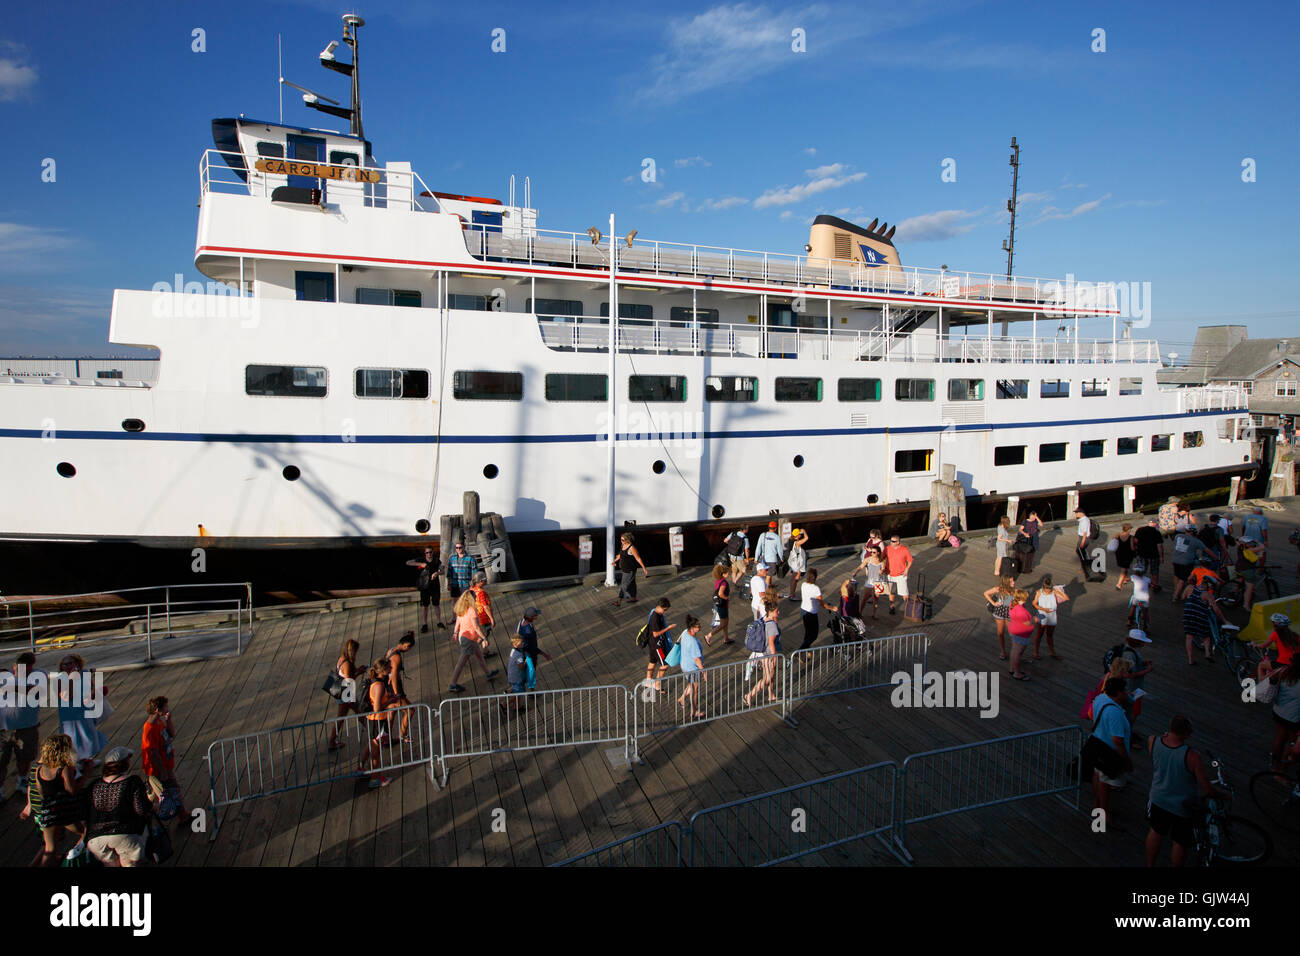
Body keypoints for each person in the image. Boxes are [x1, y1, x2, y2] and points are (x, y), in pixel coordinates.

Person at [1145, 716, 1215, 867]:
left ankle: (1150, 865)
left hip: (1158, 798)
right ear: (1185, 734)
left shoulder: (1153, 741)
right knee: (1179, 842)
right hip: (1181, 805)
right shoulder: (1192, 756)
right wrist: (1221, 795)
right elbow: (1206, 787)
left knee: (1156, 832)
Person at [20, 733, 84, 867]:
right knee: (86, 832)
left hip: (46, 812)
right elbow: (71, 791)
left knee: (49, 848)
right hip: (62, 812)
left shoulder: (39, 769)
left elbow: (40, 792)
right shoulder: (64, 768)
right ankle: (73, 857)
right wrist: (86, 774)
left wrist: (30, 806)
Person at [85, 746, 153, 867]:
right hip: (125, 834)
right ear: (125, 763)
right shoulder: (132, 782)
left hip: (96, 839)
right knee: (130, 864)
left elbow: (86, 812)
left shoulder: (94, 785)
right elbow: (141, 809)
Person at [1081, 677, 1132, 828]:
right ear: (1118, 693)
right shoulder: (1114, 713)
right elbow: (1118, 740)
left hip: (1097, 746)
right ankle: (1104, 817)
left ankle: (1097, 807)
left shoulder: (1100, 699)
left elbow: (1092, 715)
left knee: (1097, 776)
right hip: (1109, 752)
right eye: (1124, 691)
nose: (1127, 693)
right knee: (1106, 782)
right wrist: (1126, 761)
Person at [0, 652, 43, 801]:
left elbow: (34, 691)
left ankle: (22, 780)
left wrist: (10, 686)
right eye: (20, 667)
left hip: (27, 726)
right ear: (14, 666)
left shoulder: (39, 675)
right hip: (3, 728)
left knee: (25, 757)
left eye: (28, 667)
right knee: (1, 759)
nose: (24, 670)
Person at [56, 654, 107, 778]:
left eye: (69, 663)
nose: (67, 666)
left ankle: (86, 759)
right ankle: (74, 766)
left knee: (88, 734)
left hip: (83, 708)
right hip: (69, 713)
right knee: (72, 738)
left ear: (77, 663)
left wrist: (96, 693)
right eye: (64, 664)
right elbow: (66, 696)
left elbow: (91, 688)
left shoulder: (84, 673)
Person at [141, 696, 187, 821]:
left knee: (168, 791)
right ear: (157, 710)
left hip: (166, 765)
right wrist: (163, 771)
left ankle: (182, 815)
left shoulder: (158, 722)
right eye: (165, 706)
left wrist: (169, 720)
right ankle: (182, 816)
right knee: (170, 792)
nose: (168, 708)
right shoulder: (150, 729)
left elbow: (171, 734)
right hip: (157, 770)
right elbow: (153, 753)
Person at [448, 591, 499, 693]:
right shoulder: (472, 610)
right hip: (469, 639)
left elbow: (457, 623)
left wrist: (455, 633)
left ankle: (488, 673)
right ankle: (453, 684)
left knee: (479, 656)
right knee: (461, 663)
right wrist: (484, 638)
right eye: (475, 597)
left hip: (464, 637)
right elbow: (476, 627)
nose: (476, 598)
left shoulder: (461, 608)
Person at [360, 658, 397, 788]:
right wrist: (390, 701)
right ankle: (374, 779)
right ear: (383, 670)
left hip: (373, 720)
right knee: (376, 752)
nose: (391, 669)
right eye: (389, 667)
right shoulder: (379, 686)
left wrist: (388, 698)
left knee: (372, 745)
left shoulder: (375, 682)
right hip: (377, 720)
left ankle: (360, 767)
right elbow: (377, 708)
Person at [1182, 571, 1227, 665]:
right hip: (1200, 615)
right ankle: (1207, 653)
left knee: (1189, 637)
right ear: (1209, 586)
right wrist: (1224, 620)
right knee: (1206, 635)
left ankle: (1190, 659)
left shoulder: (1189, 587)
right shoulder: (1207, 595)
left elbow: (1183, 597)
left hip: (1188, 614)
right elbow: (1216, 610)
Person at [742, 600, 781, 707]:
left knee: (770, 675)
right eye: (777, 611)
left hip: (762, 652)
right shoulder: (772, 625)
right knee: (768, 678)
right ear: (771, 611)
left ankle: (771, 695)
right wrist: (774, 657)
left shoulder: (763, 619)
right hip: (768, 654)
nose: (779, 612)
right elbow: (771, 643)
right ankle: (749, 695)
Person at [327, 639, 363, 751]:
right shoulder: (347, 664)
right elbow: (349, 680)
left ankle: (374, 731)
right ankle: (331, 741)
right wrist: (358, 672)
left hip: (342, 692)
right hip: (345, 694)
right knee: (346, 716)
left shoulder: (342, 659)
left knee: (357, 712)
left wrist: (358, 670)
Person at [1120, 628, 1154, 744]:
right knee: (1131, 713)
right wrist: (1147, 670)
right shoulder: (1130, 654)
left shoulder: (1130, 651)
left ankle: (1128, 732)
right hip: (1132, 689)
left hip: (1134, 688)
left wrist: (1143, 663)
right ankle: (1127, 735)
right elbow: (1129, 674)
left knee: (1133, 712)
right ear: (1138, 642)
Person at [796, 568, 838, 651]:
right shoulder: (816, 589)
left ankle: (806, 649)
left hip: (803, 610)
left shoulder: (803, 584)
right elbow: (821, 603)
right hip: (811, 613)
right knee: (814, 635)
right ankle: (800, 650)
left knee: (808, 632)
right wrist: (832, 608)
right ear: (815, 577)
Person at [385, 631, 416, 742]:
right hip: (394, 688)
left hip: (387, 686)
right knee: (410, 710)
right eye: (409, 648)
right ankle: (403, 736)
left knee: (392, 711)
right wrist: (397, 695)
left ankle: (386, 737)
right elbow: (393, 677)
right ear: (406, 646)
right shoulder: (396, 657)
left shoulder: (390, 651)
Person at [406, 547, 445, 632]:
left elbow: (442, 571)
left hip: (435, 586)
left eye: (430, 552)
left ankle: (439, 622)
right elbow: (408, 562)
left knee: (436, 604)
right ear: (425, 553)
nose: (429, 554)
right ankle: (425, 624)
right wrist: (420, 564)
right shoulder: (421, 559)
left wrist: (437, 573)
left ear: (433, 552)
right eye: (427, 553)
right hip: (425, 586)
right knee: (425, 606)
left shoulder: (436, 560)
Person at [676, 616, 707, 719]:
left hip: (684, 664)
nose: (700, 627)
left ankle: (681, 699)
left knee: (691, 684)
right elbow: (697, 659)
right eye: (698, 626)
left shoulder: (685, 632)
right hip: (692, 668)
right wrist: (703, 672)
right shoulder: (693, 642)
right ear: (692, 628)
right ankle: (694, 711)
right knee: (695, 689)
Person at [1031, 575, 1069, 660]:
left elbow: (1066, 598)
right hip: (1042, 615)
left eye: (1049, 590)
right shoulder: (1039, 592)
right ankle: (1036, 652)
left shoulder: (1054, 591)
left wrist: (1059, 591)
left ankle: (1052, 652)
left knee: (1050, 635)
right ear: (1043, 588)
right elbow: (1034, 604)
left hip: (1052, 616)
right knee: (1039, 634)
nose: (1048, 592)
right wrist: (1044, 609)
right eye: (1046, 591)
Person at [1170, 525, 1212, 601]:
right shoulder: (1196, 541)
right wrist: (1216, 557)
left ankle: (1176, 591)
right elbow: (1207, 550)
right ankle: (1176, 596)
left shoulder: (1178, 536)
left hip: (1175, 560)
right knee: (1183, 579)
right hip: (1186, 562)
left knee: (1176, 575)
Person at [516, 607, 551, 691]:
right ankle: (531, 690)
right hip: (530, 653)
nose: (536, 616)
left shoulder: (521, 622)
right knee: (531, 671)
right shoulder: (529, 631)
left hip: (522, 651)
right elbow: (533, 648)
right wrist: (544, 654)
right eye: (535, 615)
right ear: (530, 617)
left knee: (525, 672)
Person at [983, 576, 1017, 661]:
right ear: (1006, 583)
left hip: (1010, 613)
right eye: (1011, 581)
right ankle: (1003, 651)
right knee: (1000, 633)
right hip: (999, 612)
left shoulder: (1015, 591)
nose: (1014, 582)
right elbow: (986, 593)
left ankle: (1014, 651)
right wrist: (993, 603)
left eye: (1013, 581)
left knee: (1012, 633)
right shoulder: (998, 589)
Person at [643, 598, 673, 691]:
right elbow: (655, 634)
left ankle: (648, 681)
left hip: (652, 643)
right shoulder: (655, 617)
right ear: (660, 607)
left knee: (652, 661)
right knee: (666, 664)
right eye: (664, 610)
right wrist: (668, 628)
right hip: (657, 645)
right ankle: (657, 683)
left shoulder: (654, 613)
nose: (664, 612)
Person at [611, 532, 647, 607]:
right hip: (624, 569)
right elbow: (620, 555)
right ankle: (633, 597)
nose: (621, 541)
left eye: (623, 540)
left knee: (624, 585)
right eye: (621, 539)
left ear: (627, 540)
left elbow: (638, 558)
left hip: (630, 570)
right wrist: (615, 561)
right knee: (632, 582)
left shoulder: (631, 548)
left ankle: (619, 601)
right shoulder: (623, 545)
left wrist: (644, 568)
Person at [1007, 589, 1035, 681]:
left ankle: (1012, 668)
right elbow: (1027, 623)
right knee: (1017, 653)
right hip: (1021, 634)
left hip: (1014, 630)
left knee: (1014, 650)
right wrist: (1035, 619)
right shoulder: (1021, 611)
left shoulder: (1013, 604)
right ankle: (1017, 673)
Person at [884, 535, 914, 616]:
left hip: (901, 575)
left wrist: (907, 569)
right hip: (889, 574)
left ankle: (909, 609)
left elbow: (910, 560)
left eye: (893, 541)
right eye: (891, 541)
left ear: (898, 542)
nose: (891, 542)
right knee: (891, 592)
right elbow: (882, 558)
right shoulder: (887, 549)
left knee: (904, 593)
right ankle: (892, 607)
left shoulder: (904, 549)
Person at [1233, 537, 1265, 611]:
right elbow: (1262, 547)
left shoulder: (1240, 547)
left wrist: (1238, 540)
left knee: (1238, 584)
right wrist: (1257, 541)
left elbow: (1236, 541)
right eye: (1250, 543)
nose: (1251, 544)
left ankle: (1234, 595)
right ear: (1247, 544)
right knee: (1249, 588)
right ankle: (1246, 605)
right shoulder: (1250, 550)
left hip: (1238, 568)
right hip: (1247, 570)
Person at [1134, 517, 1165, 592]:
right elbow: (1159, 546)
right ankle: (1155, 585)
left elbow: (1135, 541)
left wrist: (1136, 549)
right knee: (1154, 571)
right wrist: (1161, 557)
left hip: (1142, 554)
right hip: (1153, 555)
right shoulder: (1157, 532)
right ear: (1155, 524)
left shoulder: (1140, 530)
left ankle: (1140, 584)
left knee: (1141, 569)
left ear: (1148, 523)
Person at [704, 565, 733, 647]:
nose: (729, 573)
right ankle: (708, 636)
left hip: (719, 604)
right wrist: (727, 597)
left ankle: (726, 638)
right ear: (723, 574)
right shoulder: (724, 583)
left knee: (725, 622)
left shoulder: (718, 581)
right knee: (723, 624)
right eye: (727, 573)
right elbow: (720, 594)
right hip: (722, 605)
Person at [471, 573, 497, 656]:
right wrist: (492, 618)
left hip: (475, 616)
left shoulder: (471, 589)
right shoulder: (481, 593)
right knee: (484, 635)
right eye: (485, 580)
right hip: (483, 618)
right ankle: (469, 650)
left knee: (483, 634)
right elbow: (486, 607)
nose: (486, 581)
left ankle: (485, 651)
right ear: (481, 581)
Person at [859, 548, 887, 619]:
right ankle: (860, 612)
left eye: (874, 552)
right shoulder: (868, 559)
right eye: (871, 552)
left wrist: (882, 571)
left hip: (878, 582)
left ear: (878, 553)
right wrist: (855, 572)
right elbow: (861, 566)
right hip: (869, 581)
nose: (872, 553)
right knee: (865, 598)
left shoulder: (882, 561)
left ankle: (874, 614)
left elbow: (883, 570)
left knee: (876, 598)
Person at [503, 635, 529, 714]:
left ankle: (517, 706)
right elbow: (521, 666)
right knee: (519, 692)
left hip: (512, 675)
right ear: (515, 644)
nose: (523, 643)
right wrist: (526, 661)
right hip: (516, 677)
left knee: (517, 690)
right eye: (521, 642)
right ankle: (505, 704)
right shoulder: (518, 655)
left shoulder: (513, 650)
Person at [1126, 559, 1152, 631]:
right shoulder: (1147, 579)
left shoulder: (1133, 577)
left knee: (1133, 607)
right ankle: (1146, 625)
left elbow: (1127, 579)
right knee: (1146, 611)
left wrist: (1125, 581)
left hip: (1137, 597)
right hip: (1145, 598)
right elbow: (1150, 585)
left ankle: (1129, 621)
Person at [785, 528, 809, 600]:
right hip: (796, 563)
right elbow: (806, 538)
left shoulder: (791, 540)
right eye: (800, 534)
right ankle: (792, 595)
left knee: (793, 578)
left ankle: (791, 593)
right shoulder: (797, 543)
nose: (801, 535)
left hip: (793, 561)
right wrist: (804, 531)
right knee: (795, 579)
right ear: (797, 535)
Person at [1113, 523, 1136, 591]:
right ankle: (1119, 584)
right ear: (1129, 529)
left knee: (1124, 567)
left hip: (1119, 554)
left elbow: (1114, 543)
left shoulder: (1118, 535)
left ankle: (1125, 579)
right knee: (1124, 569)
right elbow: (1132, 548)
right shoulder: (1131, 537)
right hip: (1127, 555)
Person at [1074, 508, 1091, 573]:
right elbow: (1078, 520)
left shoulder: (1084, 521)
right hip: (1082, 538)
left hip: (1083, 538)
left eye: (1077, 513)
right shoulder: (1084, 519)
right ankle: (1087, 566)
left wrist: (1082, 543)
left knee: (1081, 553)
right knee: (1082, 552)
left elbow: (1085, 533)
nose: (1075, 514)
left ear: (1081, 513)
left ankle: (1085, 568)